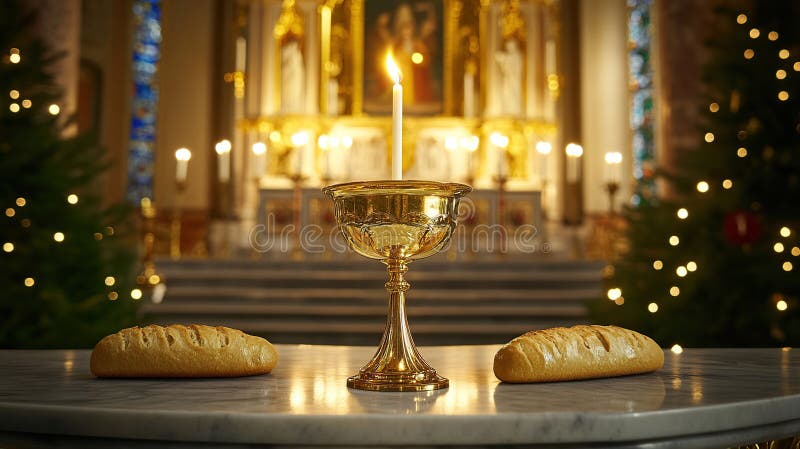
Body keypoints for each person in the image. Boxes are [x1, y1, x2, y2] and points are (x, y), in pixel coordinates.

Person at [495, 38, 523, 116]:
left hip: (514, 81)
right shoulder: (510, 56)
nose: (509, 48)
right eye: (508, 47)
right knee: (506, 93)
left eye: (510, 46)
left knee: (513, 95)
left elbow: (508, 59)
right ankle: (507, 109)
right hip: (508, 80)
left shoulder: (517, 56)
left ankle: (514, 110)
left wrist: (502, 58)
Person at [281, 40, 305, 114]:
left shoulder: (298, 54)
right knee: (288, 92)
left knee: (295, 91)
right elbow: (282, 57)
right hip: (288, 76)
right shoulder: (289, 49)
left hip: (296, 77)